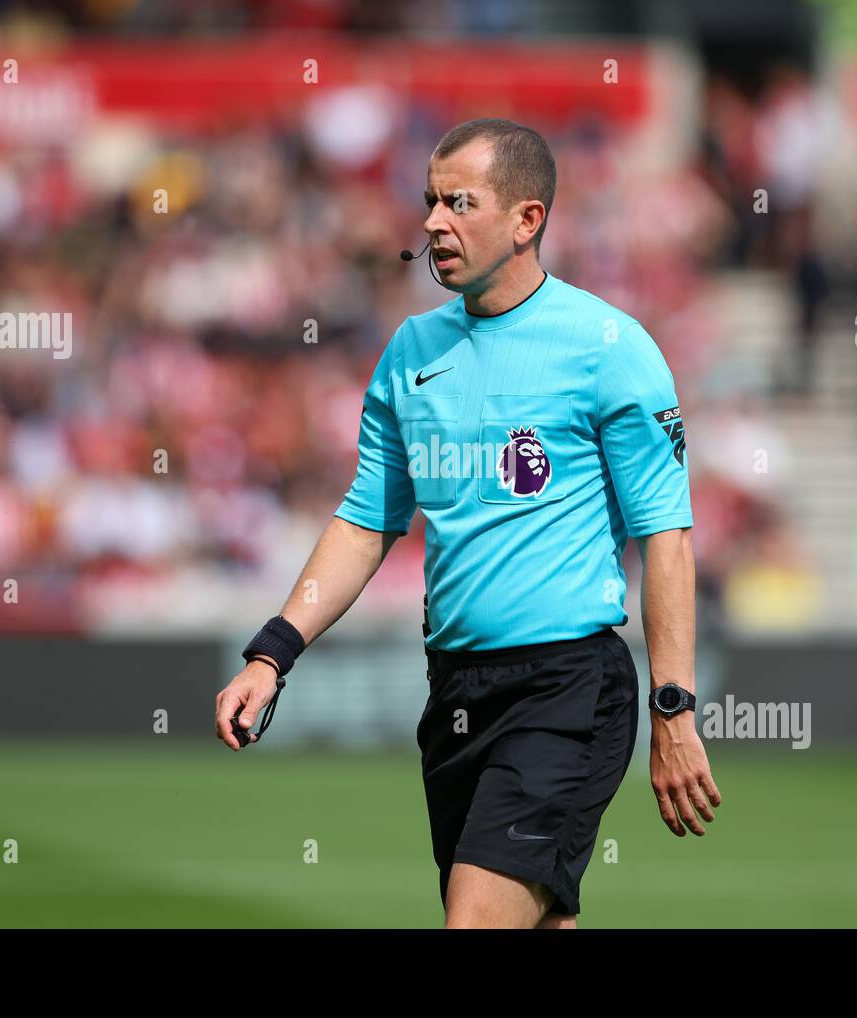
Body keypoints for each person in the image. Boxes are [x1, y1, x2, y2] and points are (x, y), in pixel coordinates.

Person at [216, 118, 720, 928]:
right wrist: (273, 652)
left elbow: (668, 537)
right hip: (453, 691)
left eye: (459, 203)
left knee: (475, 921)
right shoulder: (411, 351)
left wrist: (674, 707)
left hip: (566, 689)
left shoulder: (609, 348)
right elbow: (366, 521)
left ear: (527, 220)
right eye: (429, 201)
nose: (432, 222)